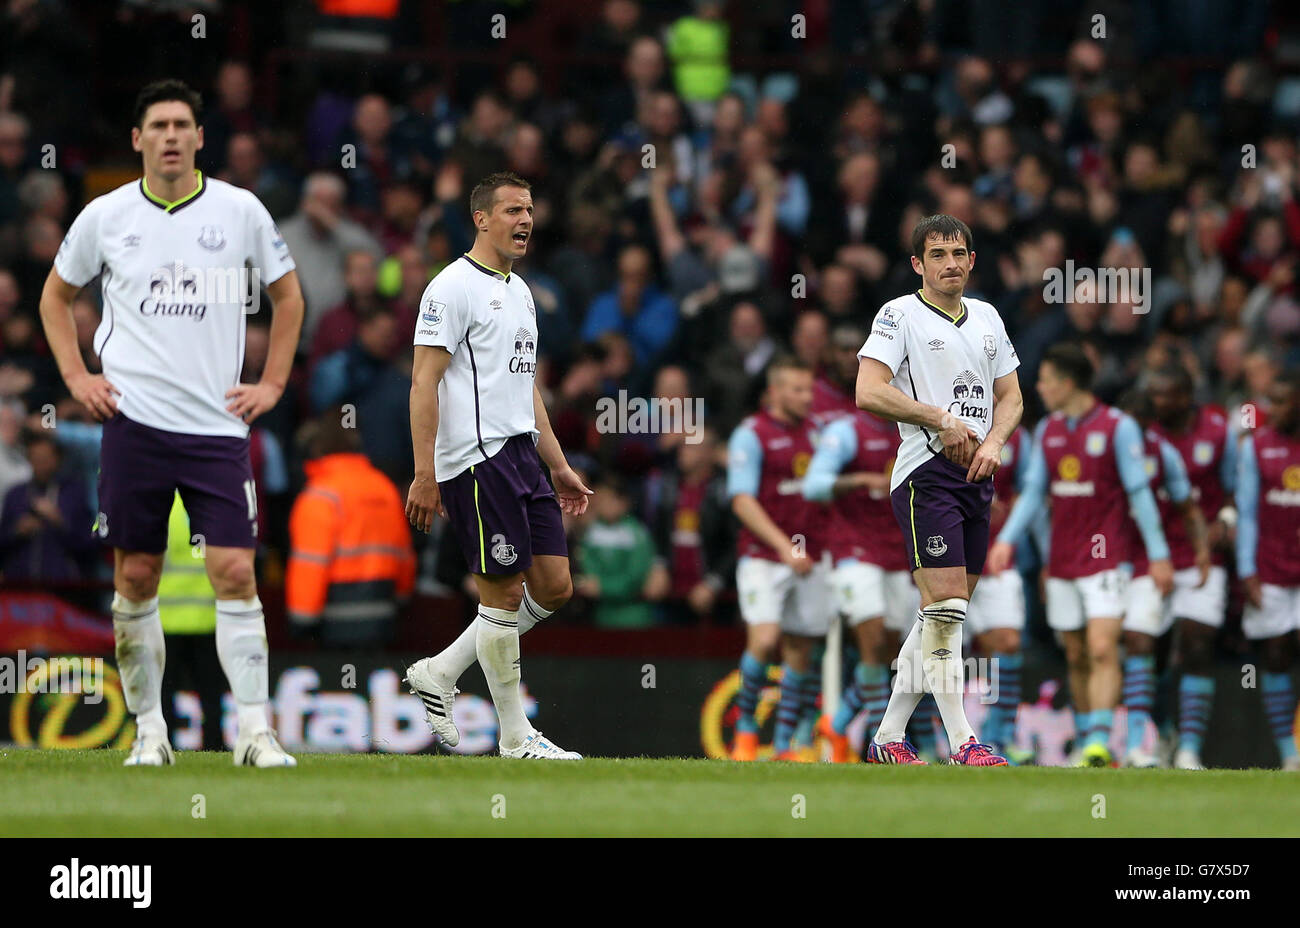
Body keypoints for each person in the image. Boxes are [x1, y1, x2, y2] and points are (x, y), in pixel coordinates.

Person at [38, 79, 304, 767]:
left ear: (200, 136)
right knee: (136, 577)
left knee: (235, 572)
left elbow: (288, 296)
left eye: (183, 124)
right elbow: (55, 296)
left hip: (217, 428)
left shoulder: (240, 210)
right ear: (137, 139)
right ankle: (150, 734)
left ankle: (255, 732)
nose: (171, 136)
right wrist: (75, 379)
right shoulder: (106, 214)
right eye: (158, 125)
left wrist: (271, 382)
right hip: (135, 426)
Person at [404, 171, 592, 760]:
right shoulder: (450, 288)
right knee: (502, 595)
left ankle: (439, 671)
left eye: (530, 210)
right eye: (512, 210)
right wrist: (424, 471)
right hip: (476, 460)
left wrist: (557, 463)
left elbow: (526, 387)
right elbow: (423, 381)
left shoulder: (521, 292)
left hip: (521, 456)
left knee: (556, 587)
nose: (526, 220)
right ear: (481, 219)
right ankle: (515, 737)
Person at [856, 214, 1024, 766]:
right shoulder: (898, 315)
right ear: (917, 264)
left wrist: (995, 441)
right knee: (947, 608)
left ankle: (886, 737)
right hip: (925, 472)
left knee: (941, 615)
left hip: (978, 474)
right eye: (938, 255)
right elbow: (868, 390)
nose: (950, 263)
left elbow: (1012, 397)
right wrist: (938, 419)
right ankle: (963, 742)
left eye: (958, 253)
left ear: (972, 260)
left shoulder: (989, 318)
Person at [989, 344, 1174, 768]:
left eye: (1046, 379)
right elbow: (1034, 494)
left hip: (1108, 557)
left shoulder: (1117, 426)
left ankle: (1097, 741)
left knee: (1103, 647)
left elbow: (1139, 493)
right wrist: (1007, 541)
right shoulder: (1050, 430)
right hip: (1064, 559)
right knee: (1076, 653)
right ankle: (1091, 728)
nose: (1040, 387)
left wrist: (1159, 555)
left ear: (1067, 383)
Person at [726, 355, 829, 762]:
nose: (807, 398)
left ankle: (785, 744)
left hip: (813, 556)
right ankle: (747, 728)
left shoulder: (821, 434)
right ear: (774, 392)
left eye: (810, 390)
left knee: (801, 648)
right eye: (798, 390)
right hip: (764, 556)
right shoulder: (752, 434)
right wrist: (785, 546)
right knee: (766, 640)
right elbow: (741, 499)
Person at [804, 402, 918, 763]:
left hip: (895, 553)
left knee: (889, 650)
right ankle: (880, 742)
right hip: (852, 551)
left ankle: (836, 725)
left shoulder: (912, 431)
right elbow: (813, 485)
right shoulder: (847, 431)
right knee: (871, 640)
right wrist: (859, 480)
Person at [1146, 365, 1237, 770]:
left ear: (1186, 396)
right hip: (1154, 557)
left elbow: (1237, 487)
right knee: (1151, 651)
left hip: (1203, 557)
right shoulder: (1142, 434)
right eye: (1155, 395)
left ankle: (1189, 750)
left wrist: (1227, 521)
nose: (1159, 402)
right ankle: (1164, 732)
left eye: (1166, 395)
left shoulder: (1218, 431)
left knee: (1198, 643)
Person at [1116, 389, 1209, 768]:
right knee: (1098, 650)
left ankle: (1141, 743)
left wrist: (1201, 550)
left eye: (1141, 426)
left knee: (1142, 642)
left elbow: (1187, 505)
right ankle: (1103, 734)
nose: (1134, 434)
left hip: (1144, 562)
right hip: (1099, 560)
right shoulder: (1102, 446)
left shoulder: (1162, 452)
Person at [287, 408, 416, 647]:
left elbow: (310, 564)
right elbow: (404, 553)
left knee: (340, 684)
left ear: (318, 446)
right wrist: (401, 597)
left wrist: (302, 620)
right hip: (384, 616)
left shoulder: (320, 495)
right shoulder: (383, 487)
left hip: (334, 623)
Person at [1235, 370, 1300, 772]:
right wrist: (1247, 569)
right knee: (1276, 655)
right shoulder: (1255, 446)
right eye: (1270, 401)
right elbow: (1247, 513)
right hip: (1272, 565)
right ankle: (1288, 754)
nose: (1273, 409)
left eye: (1282, 401)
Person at [965, 424, 1032, 762]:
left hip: (996, 559)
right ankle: (915, 737)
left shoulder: (1017, 437)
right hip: (942, 556)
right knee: (923, 650)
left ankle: (998, 737)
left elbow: (1031, 490)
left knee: (1006, 643)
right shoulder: (938, 413)